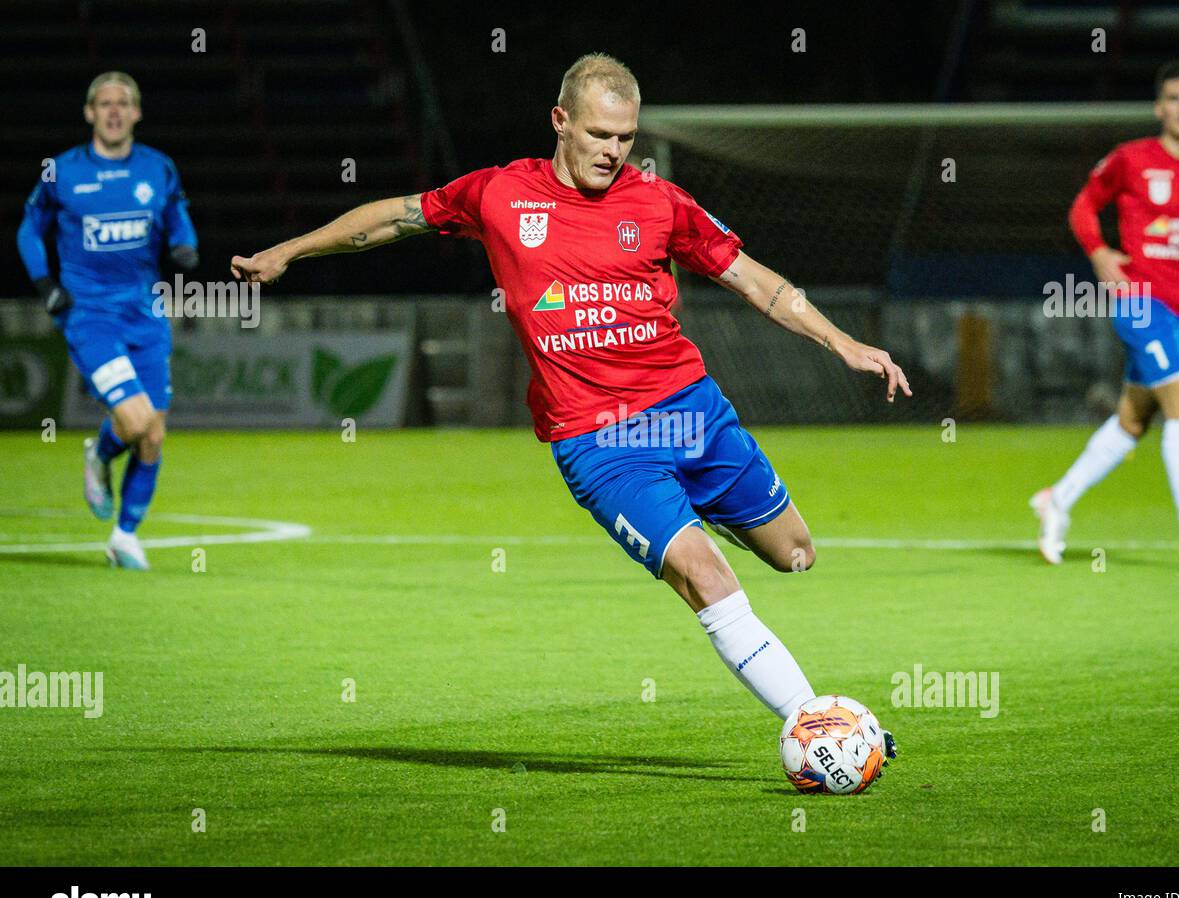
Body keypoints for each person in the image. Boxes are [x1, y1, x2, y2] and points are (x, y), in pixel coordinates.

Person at [232, 53, 907, 762]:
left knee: (795, 555)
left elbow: (751, 280)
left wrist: (841, 342)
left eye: (625, 137)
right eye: (598, 135)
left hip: (691, 411)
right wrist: (290, 251)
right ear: (560, 122)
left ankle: (693, 510)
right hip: (599, 442)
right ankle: (816, 724)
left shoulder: (659, 203)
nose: (613, 152)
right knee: (706, 576)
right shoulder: (498, 196)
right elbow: (397, 217)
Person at [1033, 60, 1179, 569]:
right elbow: (1083, 207)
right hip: (1137, 300)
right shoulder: (1131, 159)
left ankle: (1057, 500)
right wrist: (1099, 253)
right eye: (1174, 98)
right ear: (1159, 107)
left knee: (1134, 418)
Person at [16, 71, 199, 570]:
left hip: (145, 313)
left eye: (124, 103)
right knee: (137, 421)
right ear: (90, 113)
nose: (115, 111)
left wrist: (186, 244)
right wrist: (44, 283)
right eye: (105, 103)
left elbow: (178, 215)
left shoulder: (158, 168)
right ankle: (98, 456)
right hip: (90, 315)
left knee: (154, 433)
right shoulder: (61, 171)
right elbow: (29, 230)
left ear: (137, 112)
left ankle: (124, 536)